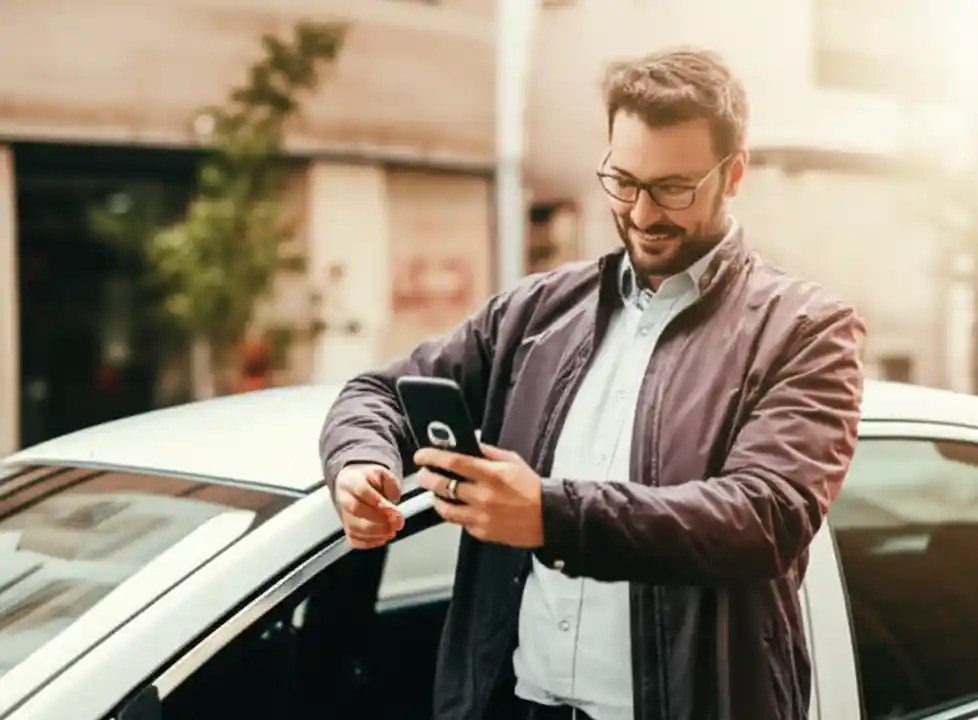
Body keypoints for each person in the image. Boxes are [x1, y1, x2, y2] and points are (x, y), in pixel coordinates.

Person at [319, 47, 866, 720]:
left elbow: (763, 516)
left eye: (673, 188)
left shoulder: (806, 330)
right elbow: (375, 395)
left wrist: (551, 516)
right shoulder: (535, 313)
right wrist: (360, 466)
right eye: (623, 181)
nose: (640, 214)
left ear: (735, 175)